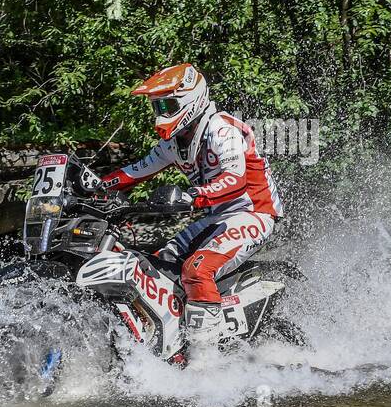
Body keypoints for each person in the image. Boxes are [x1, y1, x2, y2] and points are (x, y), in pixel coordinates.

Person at [101, 64, 283, 347]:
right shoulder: (175, 142)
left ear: (190, 99)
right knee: (157, 265)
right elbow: (133, 172)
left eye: (167, 105)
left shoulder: (222, 129)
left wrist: (193, 195)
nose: (161, 114)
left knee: (197, 270)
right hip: (217, 217)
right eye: (156, 107)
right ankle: (172, 340)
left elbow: (235, 179)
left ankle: (204, 360)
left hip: (253, 213)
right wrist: (94, 186)